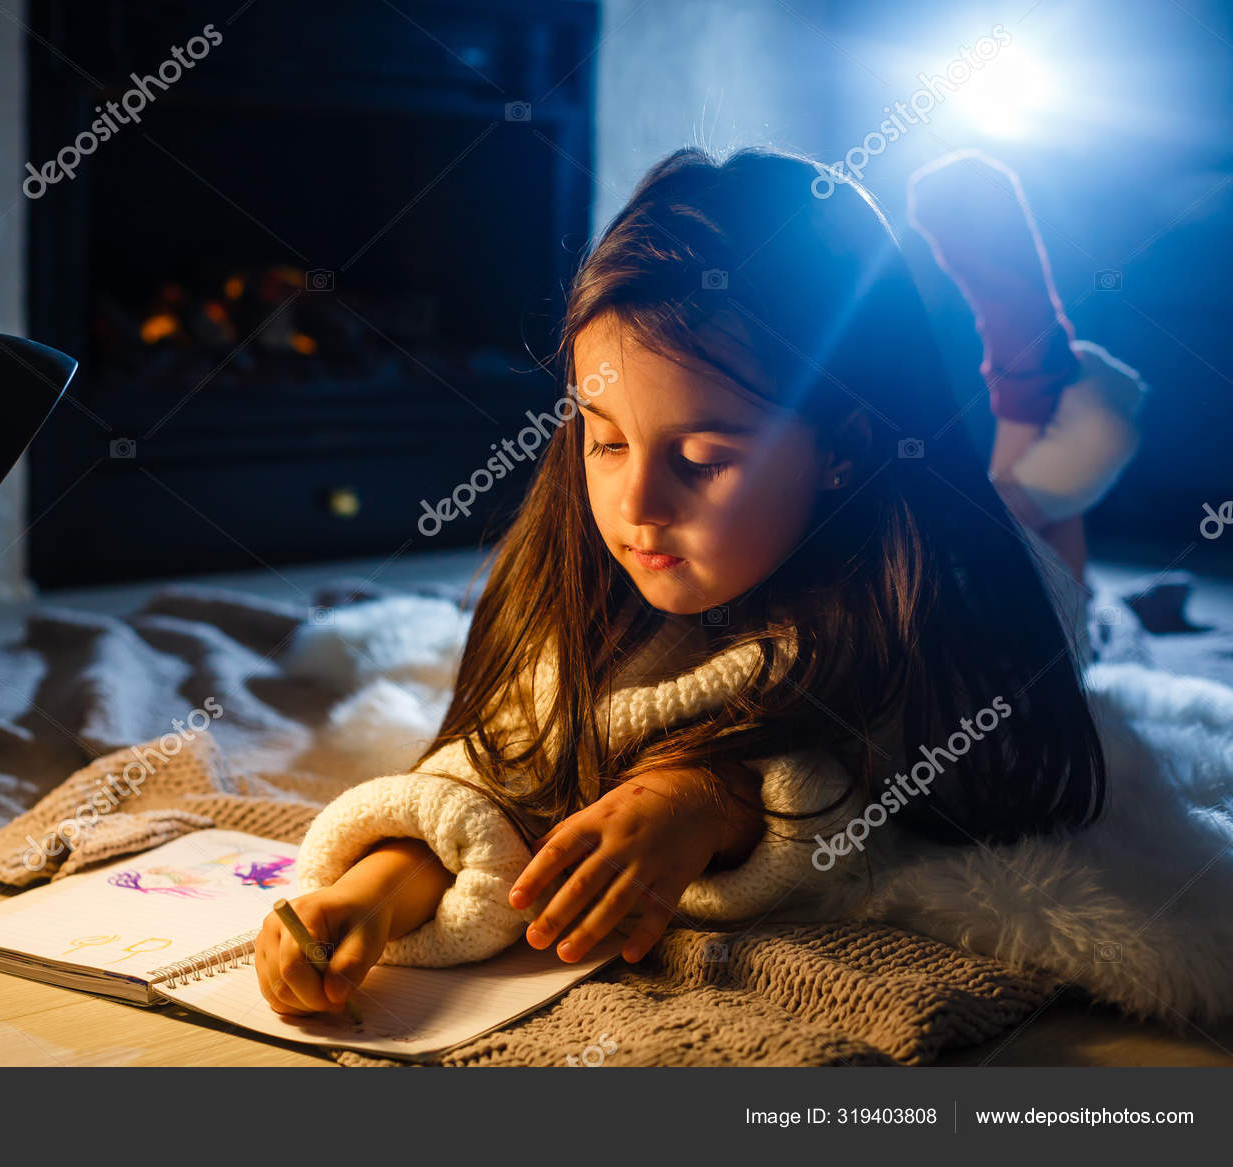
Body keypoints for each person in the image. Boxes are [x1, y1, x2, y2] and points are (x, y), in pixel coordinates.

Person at [253, 146, 1137, 1019]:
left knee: (1038, 503)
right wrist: (380, 882)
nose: (635, 503)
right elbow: (509, 761)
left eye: (704, 458)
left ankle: (1028, 365)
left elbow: (931, 783)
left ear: (843, 447)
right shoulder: (583, 570)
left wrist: (711, 797)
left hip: (973, 563)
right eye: (604, 439)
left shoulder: (936, 597)